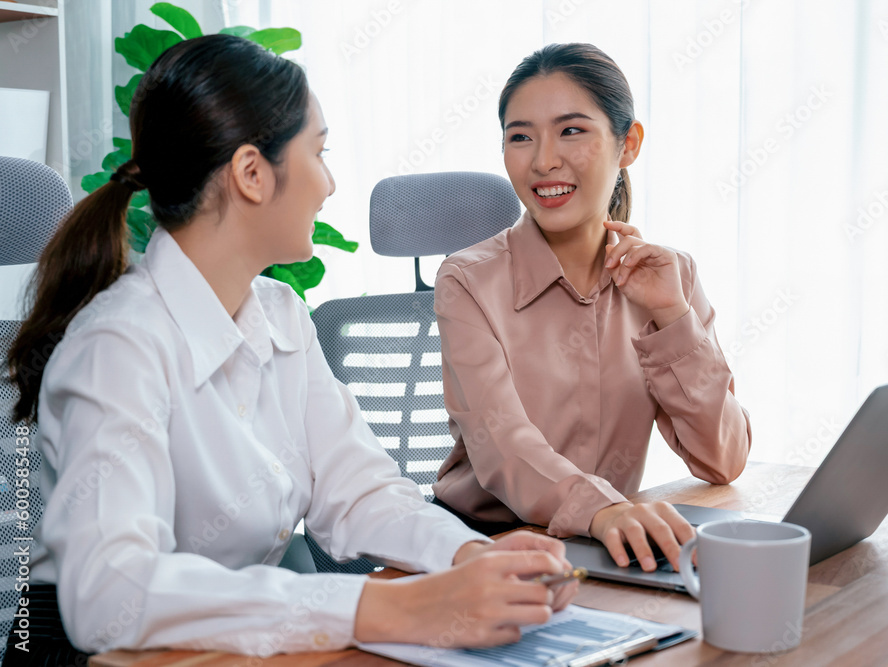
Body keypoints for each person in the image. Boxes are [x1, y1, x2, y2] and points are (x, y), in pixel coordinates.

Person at [3, 34, 575, 663]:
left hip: (224, 649)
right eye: (319, 153)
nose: (329, 184)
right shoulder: (117, 344)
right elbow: (112, 595)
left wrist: (469, 556)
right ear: (252, 174)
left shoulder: (280, 315)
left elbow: (357, 490)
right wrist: (395, 607)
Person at [431, 43, 752, 574]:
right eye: (520, 137)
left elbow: (723, 459)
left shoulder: (671, 276)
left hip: (606, 551)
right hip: (485, 550)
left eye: (572, 130)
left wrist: (673, 316)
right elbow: (503, 447)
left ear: (629, 144)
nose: (543, 161)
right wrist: (604, 511)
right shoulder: (467, 281)